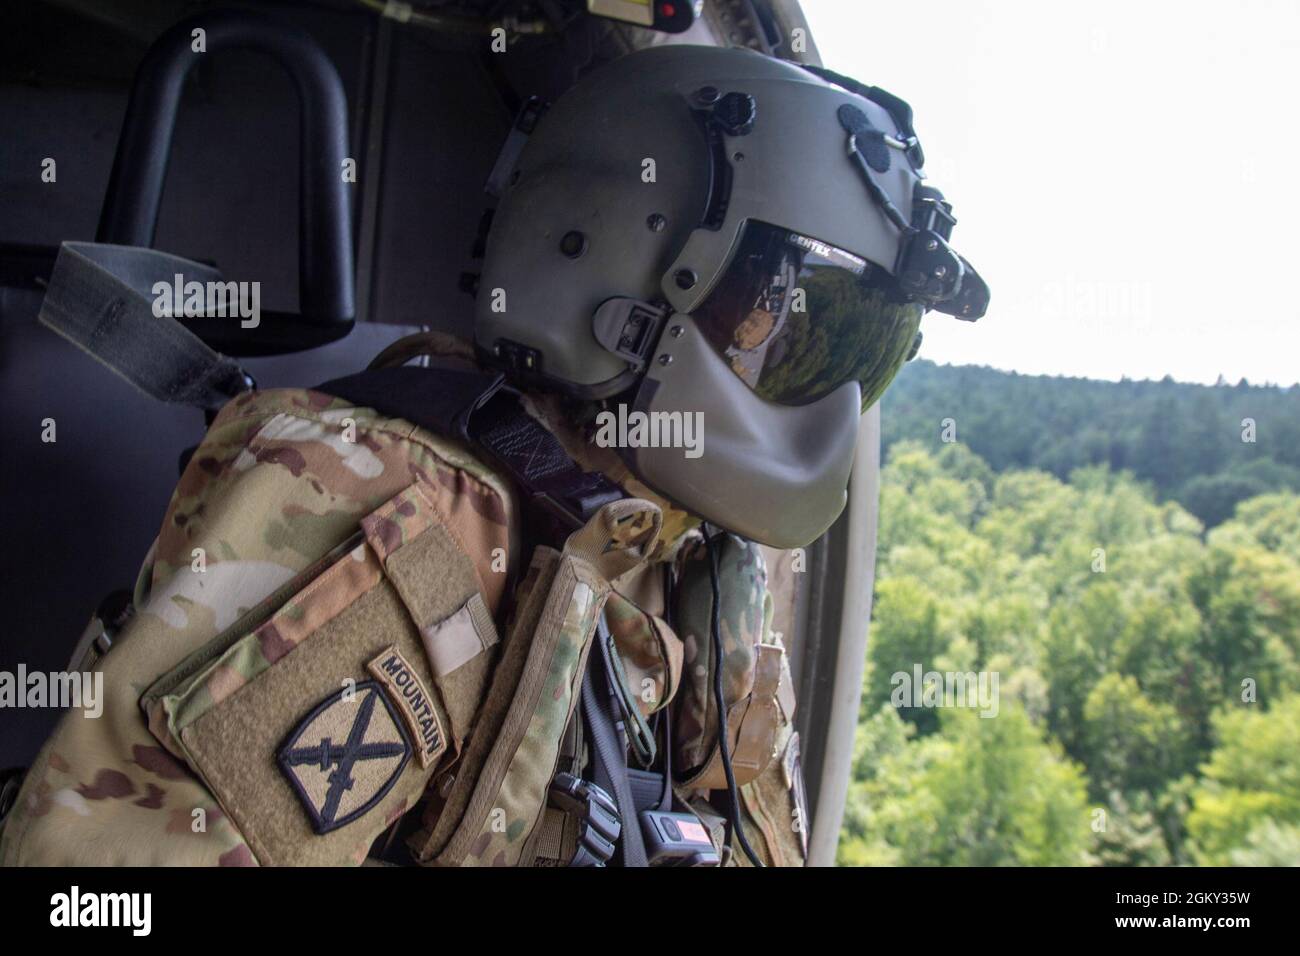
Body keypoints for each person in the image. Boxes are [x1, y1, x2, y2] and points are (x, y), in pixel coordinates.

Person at [0, 43, 985, 868]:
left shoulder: (678, 556)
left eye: (859, 352)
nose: (819, 401)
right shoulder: (392, 511)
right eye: (776, 323)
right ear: (617, 255)